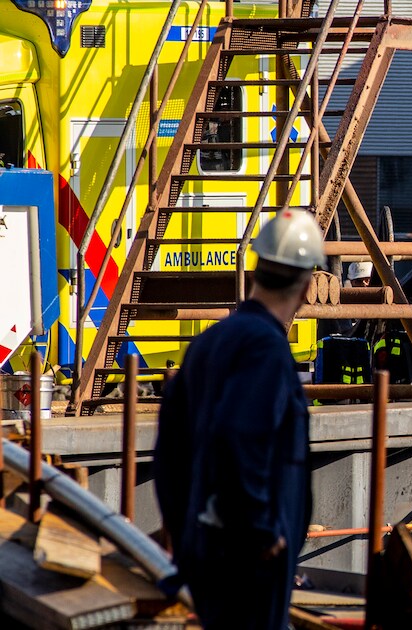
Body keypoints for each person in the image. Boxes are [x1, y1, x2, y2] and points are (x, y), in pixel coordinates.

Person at [154, 210, 324, 629]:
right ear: (305, 287)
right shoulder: (265, 349)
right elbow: (238, 436)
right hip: (248, 566)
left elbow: (168, 456)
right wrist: (261, 533)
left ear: (256, 270)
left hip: (209, 554)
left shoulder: (210, 342)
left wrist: (186, 531)